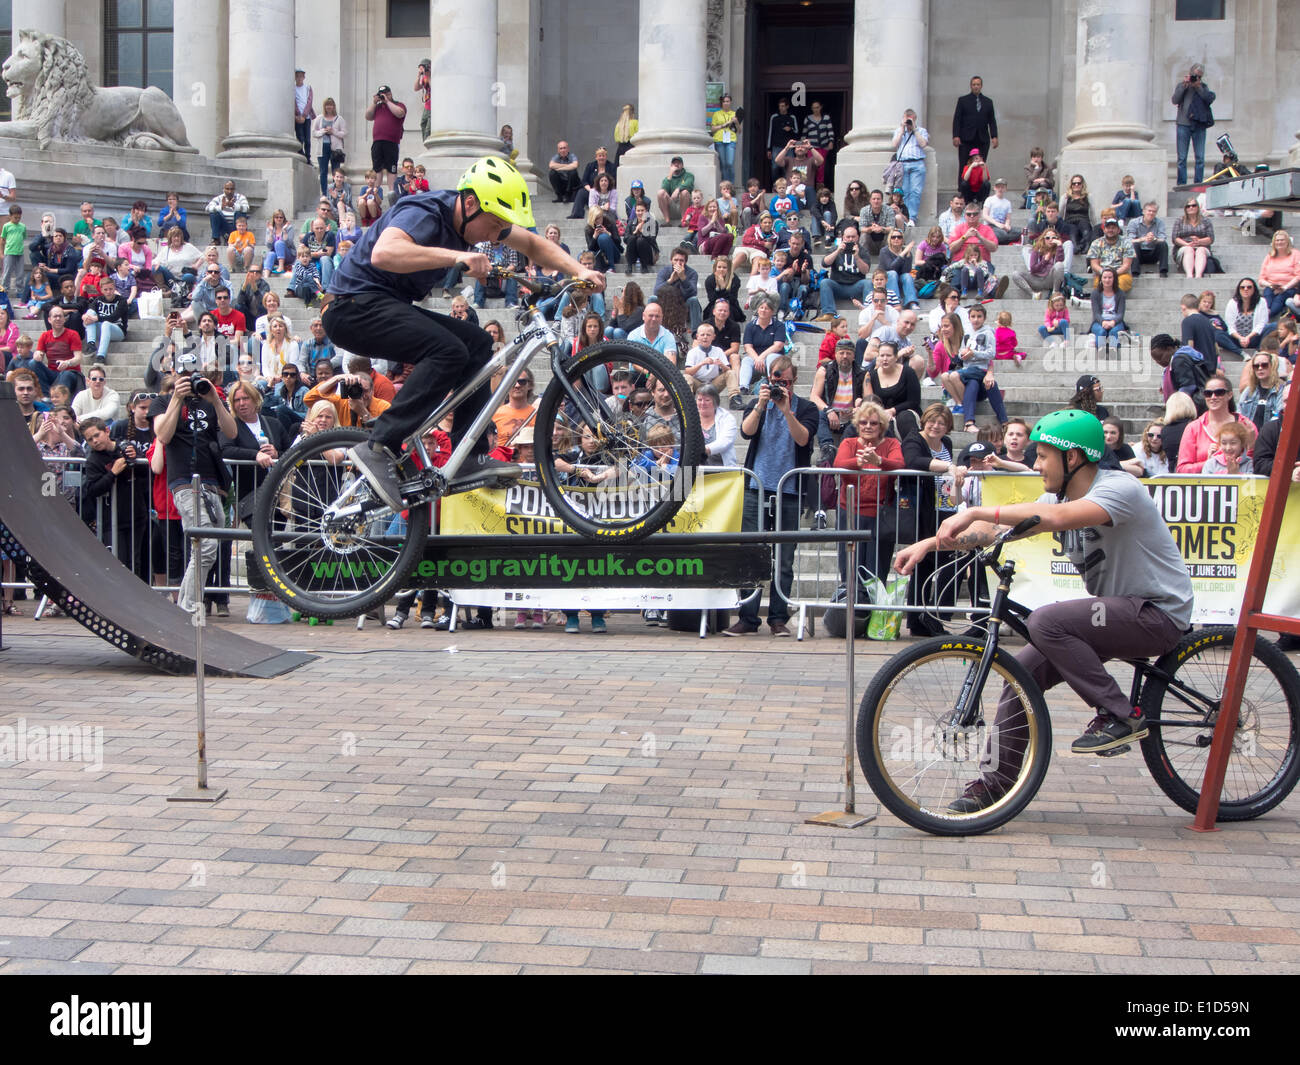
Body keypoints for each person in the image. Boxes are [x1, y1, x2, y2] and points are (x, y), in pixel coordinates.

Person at [899, 409, 1194, 812]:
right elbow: (993, 532)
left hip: (1157, 614)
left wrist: (976, 508)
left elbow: (1052, 518)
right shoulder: (1057, 497)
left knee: (1047, 621)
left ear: (1072, 458)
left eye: (1043, 457)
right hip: (1114, 614)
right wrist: (929, 544)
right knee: (1020, 677)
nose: (1036, 465)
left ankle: (1120, 715)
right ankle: (995, 785)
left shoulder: (1118, 489)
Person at [324, 159, 603, 509]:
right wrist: (458, 256)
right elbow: (384, 252)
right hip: (350, 308)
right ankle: (379, 444)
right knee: (449, 350)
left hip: (384, 305)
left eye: (502, 226)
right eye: (494, 224)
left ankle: (468, 454)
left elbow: (532, 245)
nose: (495, 234)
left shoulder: (480, 219)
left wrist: (579, 270)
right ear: (470, 203)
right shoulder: (425, 211)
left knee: (478, 343)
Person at [725, 354, 819, 638]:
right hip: (756, 487)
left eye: (786, 382)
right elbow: (746, 431)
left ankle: (778, 617)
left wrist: (787, 409)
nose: (781, 386)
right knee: (751, 552)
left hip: (789, 491)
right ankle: (748, 618)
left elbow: (803, 439)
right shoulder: (759, 403)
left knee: (785, 558)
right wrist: (762, 404)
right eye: (776, 380)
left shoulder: (807, 408)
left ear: (794, 381)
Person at [150, 363, 239, 614]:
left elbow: (231, 432)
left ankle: (191, 602)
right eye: (184, 375)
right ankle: (188, 606)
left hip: (212, 483)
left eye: (194, 375)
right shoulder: (163, 403)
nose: (189, 380)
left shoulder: (210, 402)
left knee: (208, 545)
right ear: (175, 376)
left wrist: (215, 399)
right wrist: (177, 399)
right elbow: (163, 436)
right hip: (184, 482)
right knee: (206, 545)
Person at [1176, 372, 1256, 472]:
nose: (1213, 397)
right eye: (1208, 393)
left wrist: (1251, 445)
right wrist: (1211, 464)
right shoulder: (1193, 428)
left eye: (1219, 392)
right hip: (1203, 485)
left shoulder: (1246, 425)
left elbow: (1255, 463)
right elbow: (1182, 469)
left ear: (1230, 394)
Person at [1172, 63, 1216, 186]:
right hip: (1183, 124)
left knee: (1200, 158)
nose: (1196, 79)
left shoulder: (1203, 87)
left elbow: (1208, 99)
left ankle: (1198, 184)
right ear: (1190, 74)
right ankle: (1181, 184)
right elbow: (1175, 100)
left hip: (1199, 126)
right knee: (1181, 158)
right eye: (1194, 76)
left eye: (1199, 77)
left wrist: (1198, 87)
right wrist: (1184, 86)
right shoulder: (1182, 86)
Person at [951, 75, 998, 181]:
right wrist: (956, 135)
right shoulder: (963, 101)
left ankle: (979, 192)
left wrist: (994, 136)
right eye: (974, 84)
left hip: (982, 139)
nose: (976, 87)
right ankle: (962, 191)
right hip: (966, 139)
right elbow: (957, 119)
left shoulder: (988, 102)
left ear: (981, 86)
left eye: (978, 84)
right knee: (964, 164)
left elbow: (992, 120)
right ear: (970, 86)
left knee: (981, 165)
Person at [365, 85, 407, 193]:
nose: (384, 96)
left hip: (391, 142)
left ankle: (392, 192)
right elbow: (368, 116)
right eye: (382, 94)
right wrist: (374, 102)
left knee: (391, 168)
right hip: (377, 141)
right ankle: (375, 192)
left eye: (387, 93)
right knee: (377, 168)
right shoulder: (377, 107)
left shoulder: (398, 104)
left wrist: (387, 101)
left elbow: (400, 113)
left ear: (390, 93)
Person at [1258, 230, 1300, 318]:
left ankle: (1267, 315)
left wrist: (1285, 287)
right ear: (1274, 242)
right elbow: (1261, 279)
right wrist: (1270, 285)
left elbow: (1298, 276)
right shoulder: (1269, 256)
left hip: (1289, 287)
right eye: (1277, 240)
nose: (1279, 242)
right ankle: (1265, 314)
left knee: (1279, 299)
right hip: (1271, 286)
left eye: (1282, 240)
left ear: (1287, 241)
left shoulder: (1295, 254)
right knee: (1268, 298)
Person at [1086, 216, 1135, 291]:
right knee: (1101, 284)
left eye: (1113, 228)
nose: (1110, 230)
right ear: (1104, 230)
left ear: (1118, 230)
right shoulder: (1096, 243)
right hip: (1102, 274)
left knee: (1120, 283)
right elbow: (1094, 265)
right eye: (1108, 228)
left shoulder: (1126, 242)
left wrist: (1113, 274)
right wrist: (1105, 274)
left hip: (1121, 274)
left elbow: (1126, 265)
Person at [311, 97, 347, 197]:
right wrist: (323, 131)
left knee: (336, 171)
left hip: (335, 149)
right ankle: (324, 193)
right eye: (327, 105)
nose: (329, 107)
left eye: (331, 105)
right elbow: (314, 133)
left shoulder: (339, 119)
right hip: (322, 148)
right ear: (324, 106)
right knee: (323, 171)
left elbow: (344, 133)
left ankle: (337, 192)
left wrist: (333, 131)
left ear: (334, 106)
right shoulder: (319, 118)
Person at [1238, 353, 1284, 429]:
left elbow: (1279, 415)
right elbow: (1239, 413)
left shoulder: (1280, 390)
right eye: (1256, 366)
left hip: (1270, 437)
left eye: (1264, 365)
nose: (1260, 368)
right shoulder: (1248, 390)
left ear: (1271, 366)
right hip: (1249, 436)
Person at [1172, 198, 1214, 280]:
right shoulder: (1179, 221)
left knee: (1201, 250)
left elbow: (1211, 238)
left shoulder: (1206, 221)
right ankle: (1189, 275)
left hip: (1202, 246)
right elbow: (1175, 238)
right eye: (1188, 206)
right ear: (1185, 208)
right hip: (1183, 247)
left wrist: (1199, 241)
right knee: (1188, 249)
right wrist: (1187, 244)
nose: (1191, 207)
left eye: (1193, 205)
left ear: (1197, 207)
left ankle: (1198, 275)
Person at [1090, 268, 1128, 353]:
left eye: (1110, 277)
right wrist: (1103, 322)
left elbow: (1120, 314)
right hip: (1099, 321)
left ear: (1114, 278)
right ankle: (1101, 349)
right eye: (1105, 277)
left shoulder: (1120, 294)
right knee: (1101, 331)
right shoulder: (1095, 294)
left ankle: (1113, 349)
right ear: (1101, 279)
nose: (1107, 280)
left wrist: (1113, 322)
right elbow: (1096, 313)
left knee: (1114, 331)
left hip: (1116, 321)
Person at [766, 98, 799, 184]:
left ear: (787, 106)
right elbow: (770, 132)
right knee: (775, 167)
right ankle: (775, 185)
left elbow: (797, 131)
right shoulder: (774, 117)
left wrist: (790, 129)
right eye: (780, 106)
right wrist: (769, 148)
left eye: (783, 106)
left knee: (789, 167)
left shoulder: (792, 117)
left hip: (789, 147)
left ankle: (788, 185)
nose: (781, 108)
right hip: (776, 146)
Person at [206, 180, 249, 247]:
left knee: (240, 213)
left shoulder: (241, 197)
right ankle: (216, 239)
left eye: (231, 189)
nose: (229, 191)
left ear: (234, 189)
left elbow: (247, 208)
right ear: (223, 189)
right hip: (224, 227)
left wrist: (234, 206)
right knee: (214, 213)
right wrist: (221, 207)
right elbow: (207, 208)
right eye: (227, 189)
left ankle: (239, 237)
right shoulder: (219, 198)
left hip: (236, 225)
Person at [710, 93, 740, 186]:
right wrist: (723, 125)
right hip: (719, 140)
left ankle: (730, 185)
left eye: (727, 101)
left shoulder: (734, 114)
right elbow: (712, 129)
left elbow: (739, 130)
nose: (726, 103)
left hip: (731, 140)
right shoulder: (716, 114)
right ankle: (724, 186)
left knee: (729, 163)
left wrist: (737, 122)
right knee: (723, 164)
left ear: (730, 102)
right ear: (721, 103)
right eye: (724, 101)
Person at [657, 157, 695, 226]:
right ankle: (667, 221)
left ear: (682, 165)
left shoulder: (689, 175)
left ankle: (684, 220)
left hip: (685, 204)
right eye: (674, 163)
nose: (676, 164)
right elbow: (664, 189)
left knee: (685, 192)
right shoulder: (668, 177)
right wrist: (671, 173)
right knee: (660, 192)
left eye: (679, 163)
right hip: (672, 205)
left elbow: (689, 184)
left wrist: (678, 190)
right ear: (671, 166)